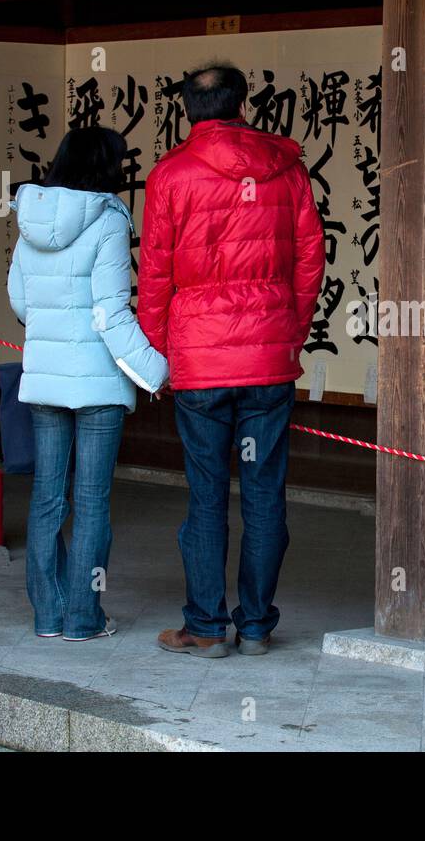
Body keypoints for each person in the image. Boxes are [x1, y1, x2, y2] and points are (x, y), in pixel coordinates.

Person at [138, 63, 325, 659]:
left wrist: (158, 352)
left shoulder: (171, 175)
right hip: (269, 360)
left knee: (207, 495)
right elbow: (310, 261)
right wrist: (286, 333)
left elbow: (156, 274)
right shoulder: (286, 169)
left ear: (189, 108)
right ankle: (256, 626)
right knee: (266, 492)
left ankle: (206, 625)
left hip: (200, 364)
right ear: (243, 103)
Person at [7, 127, 168, 642]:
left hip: (46, 382)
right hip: (98, 384)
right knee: (92, 500)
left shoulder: (31, 218)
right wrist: (156, 371)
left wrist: (53, 332)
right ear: (105, 168)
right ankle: (83, 618)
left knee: (46, 497)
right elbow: (111, 313)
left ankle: (47, 616)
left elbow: (20, 302)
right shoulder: (108, 218)